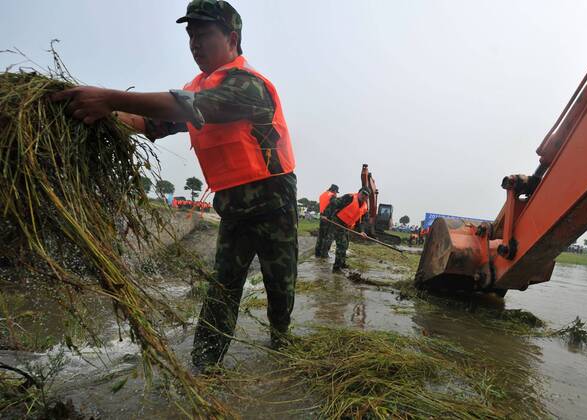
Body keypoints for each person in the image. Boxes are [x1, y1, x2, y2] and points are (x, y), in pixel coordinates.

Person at [53, 0, 298, 372]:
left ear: (231, 38)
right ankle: (205, 365)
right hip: (232, 208)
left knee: (279, 282)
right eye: (191, 36)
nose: (195, 43)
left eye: (204, 35)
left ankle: (280, 336)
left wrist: (108, 96)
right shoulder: (195, 88)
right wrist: (98, 113)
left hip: (273, 204)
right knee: (222, 286)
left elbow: (191, 108)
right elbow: (149, 123)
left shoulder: (248, 85)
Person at [326, 188, 370, 272]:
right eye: (362, 194)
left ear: (367, 197)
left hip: (346, 226)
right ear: (359, 192)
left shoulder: (365, 208)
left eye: (366, 195)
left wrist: (362, 231)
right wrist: (326, 215)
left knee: (345, 245)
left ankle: (342, 264)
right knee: (341, 245)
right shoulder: (349, 197)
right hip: (338, 222)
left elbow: (362, 222)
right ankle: (337, 268)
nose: (363, 196)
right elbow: (334, 203)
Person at [315, 184, 339, 258]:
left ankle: (317, 253)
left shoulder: (323, 195)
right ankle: (324, 254)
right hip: (328, 218)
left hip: (322, 217)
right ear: (334, 191)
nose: (336, 194)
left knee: (321, 236)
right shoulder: (332, 196)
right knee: (329, 237)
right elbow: (332, 207)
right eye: (336, 192)